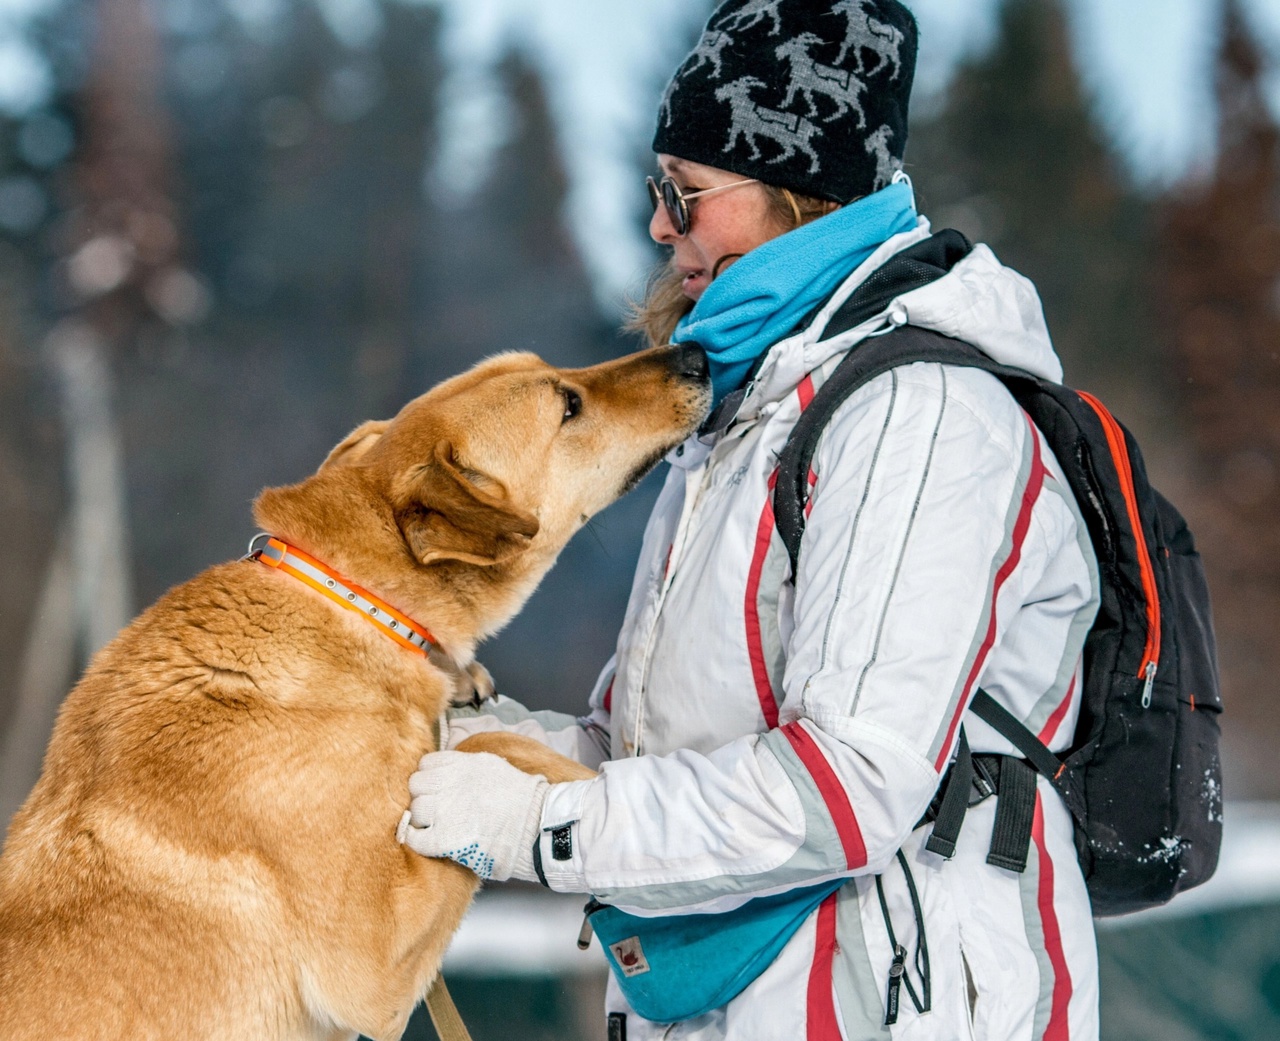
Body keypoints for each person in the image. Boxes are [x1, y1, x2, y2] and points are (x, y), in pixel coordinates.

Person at [400, 2, 1101, 1038]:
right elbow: (662, 758)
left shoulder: (918, 415)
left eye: (682, 194)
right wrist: (477, 746)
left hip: (887, 1001)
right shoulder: (747, 416)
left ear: (794, 192)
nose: (655, 227)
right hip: (726, 998)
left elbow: (843, 787)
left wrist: (540, 825)